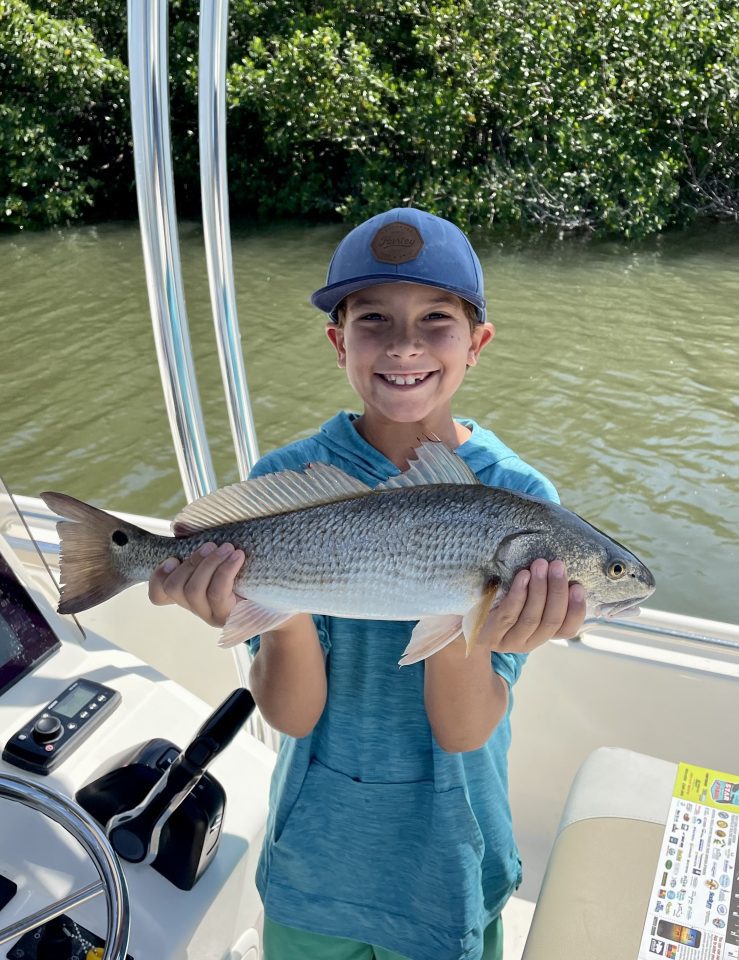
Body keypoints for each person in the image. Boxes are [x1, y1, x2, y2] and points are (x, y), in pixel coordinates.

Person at [148, 207, 586, 960]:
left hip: (449, 866)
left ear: (477, 343)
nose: (405, 344)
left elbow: (462, 731)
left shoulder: (519, 499)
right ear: (338, 341)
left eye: (436, 319)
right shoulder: (285, 479)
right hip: (313, 865)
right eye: (373, 319)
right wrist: (274, 606)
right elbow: (291, 717)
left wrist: (478, 619)